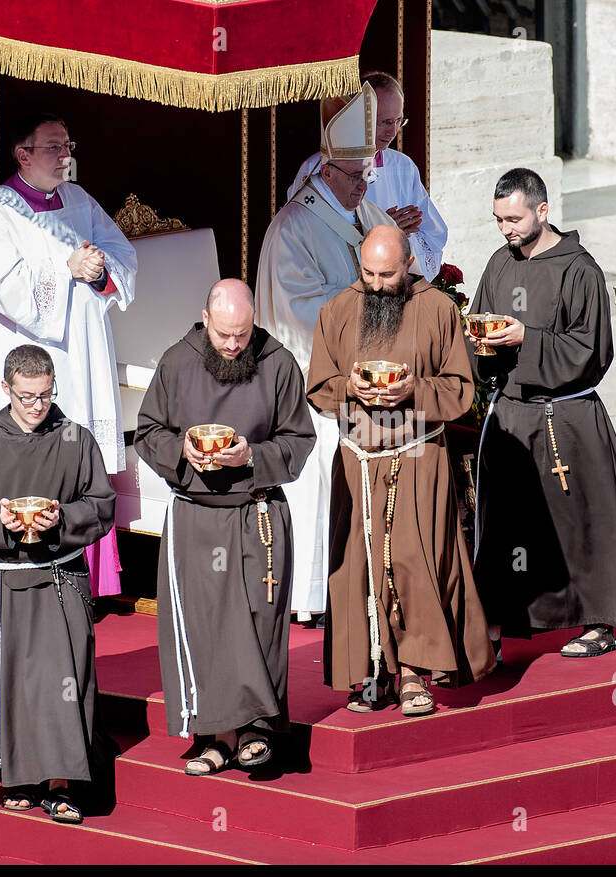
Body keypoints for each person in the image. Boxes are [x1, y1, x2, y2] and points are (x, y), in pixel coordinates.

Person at [468, 168, 616, 659]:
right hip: (513, 416)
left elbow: (592, 350)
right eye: (498, 220)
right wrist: (483, 344)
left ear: (542, 210)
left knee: (581, 524)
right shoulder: (500, 263)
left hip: (568, 418)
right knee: (510, 529)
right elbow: (478, 323)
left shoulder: (579, 268)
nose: (506, 229)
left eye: (514, 218)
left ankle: (597, 620)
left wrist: (526, 339)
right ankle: (499, 624)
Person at [308, 225, 494, 715]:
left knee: (416, 564)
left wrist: (414, 390)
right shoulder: (339, 310)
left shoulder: (437, 310)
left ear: (408, 264)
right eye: (367, 272)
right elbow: (319, 384)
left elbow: (460, 389)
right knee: (360, 568)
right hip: (359, 460)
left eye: (386, 274)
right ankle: (372, 671)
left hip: (418, 455)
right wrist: (351, 388)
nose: (375, 283)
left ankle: (414, 672)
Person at [133, 280, 315, 774]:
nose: (234, 345)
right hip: (197, 513)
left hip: (258, 513)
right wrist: (182, 452)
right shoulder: (177, 361)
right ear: (205, 318)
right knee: (205, 625)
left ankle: (258, 731)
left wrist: (252, 455)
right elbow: (148, 432)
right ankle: (213, 736)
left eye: (242, 333)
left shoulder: (276, 362)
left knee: (261, 622)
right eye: (224, 335)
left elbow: (300, 439)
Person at [0, 111, 136, 599]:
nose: (66, 156)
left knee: (80, 460)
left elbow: (120, 251)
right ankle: (31, 572)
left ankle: (91, 580)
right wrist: (67, 267)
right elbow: (7, 292)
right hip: (34, 358)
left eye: (68, 145)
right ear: (23, 154)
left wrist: (101, 269)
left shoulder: (78, 199)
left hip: (81, 354)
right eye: (54, 147)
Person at [0, 344, 115, 825]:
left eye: (45, 394)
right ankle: (18, 776)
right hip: (6, 581)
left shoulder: (76, 440)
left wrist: (62, 518)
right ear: (6, 389)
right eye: (26, 396)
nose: (38, 405)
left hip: (61, 576)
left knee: (65, 681)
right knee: (14, 680)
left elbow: (102, 506)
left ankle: (63, 783)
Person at [256, 82, 397, 621]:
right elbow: (299, 313)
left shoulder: (363, 210)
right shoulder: (295, 227)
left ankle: (364, 581)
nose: (366, 187)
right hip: (309, 382)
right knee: (319, 481)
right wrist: (369, 307)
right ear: (328, 172)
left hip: (365, 377)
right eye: (358, 178)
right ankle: (311, 595)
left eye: (369, 177)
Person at [287, 71, 449, 281]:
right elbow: (305, 237)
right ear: (360, 119)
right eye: (383, 122)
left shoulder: (403, 167)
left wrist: (400, 238)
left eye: (398, 120)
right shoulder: (317, 168)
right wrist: (387, 230)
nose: (393, 131)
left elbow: (433, 234)